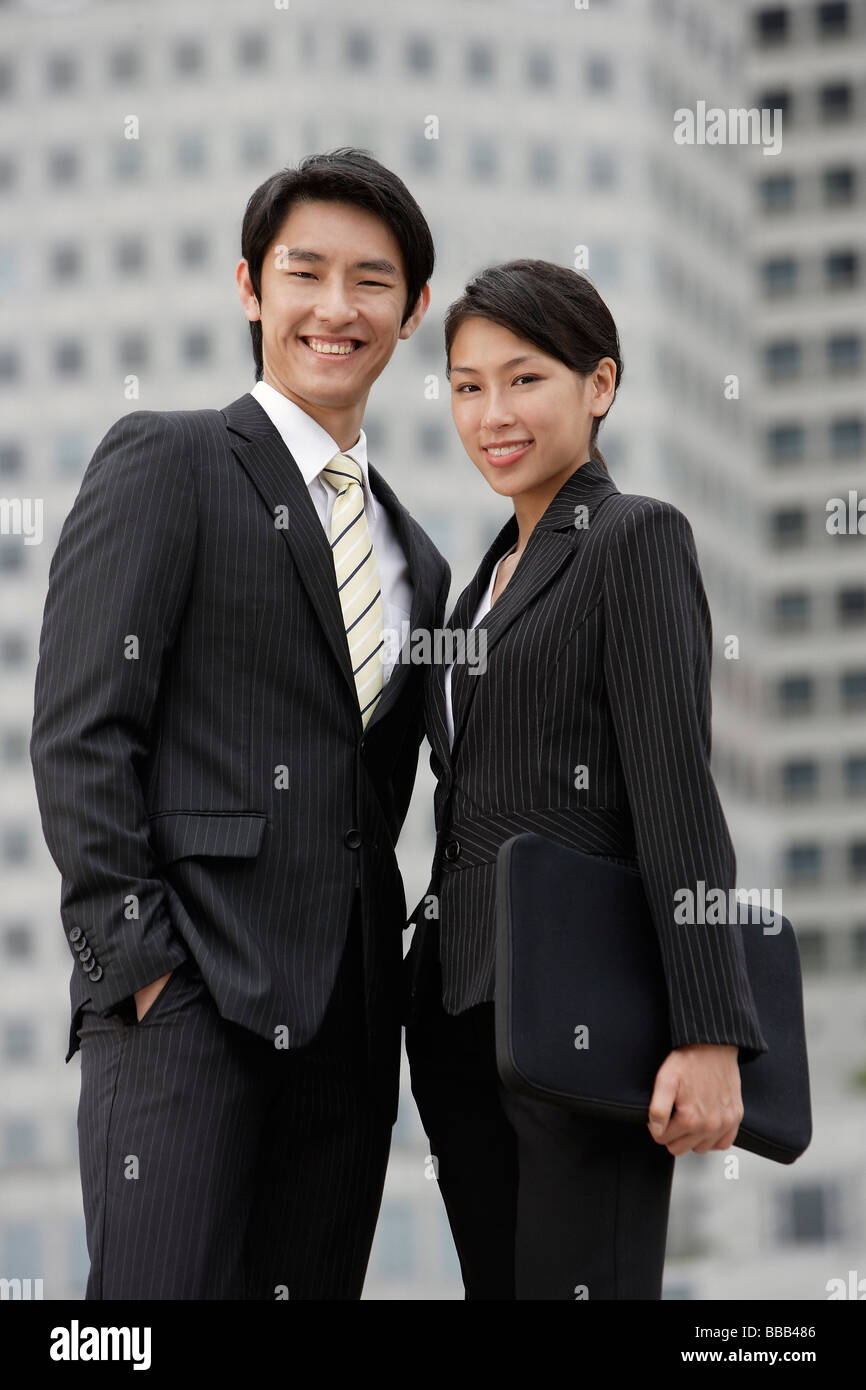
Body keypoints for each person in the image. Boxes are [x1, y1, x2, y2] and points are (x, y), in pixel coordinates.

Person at [29, 147, 450, 1300]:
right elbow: (79, 732)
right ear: (249, 287)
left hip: (348, 1044)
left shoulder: (420, 555)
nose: (333, 306)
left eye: (370, 281)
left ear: (411, 311)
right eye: (302, 271)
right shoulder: (166, 460)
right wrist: (144, 968)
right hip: (188, 1003)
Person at [404, 259, 767, 1301]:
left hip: (583, 1007)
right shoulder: (474, 584)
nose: (490, 414)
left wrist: (706, 1031)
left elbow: (674, 794)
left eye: (523, 380)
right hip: (463, 1016)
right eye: (466, 386)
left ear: (596, 385)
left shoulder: (631, 539)